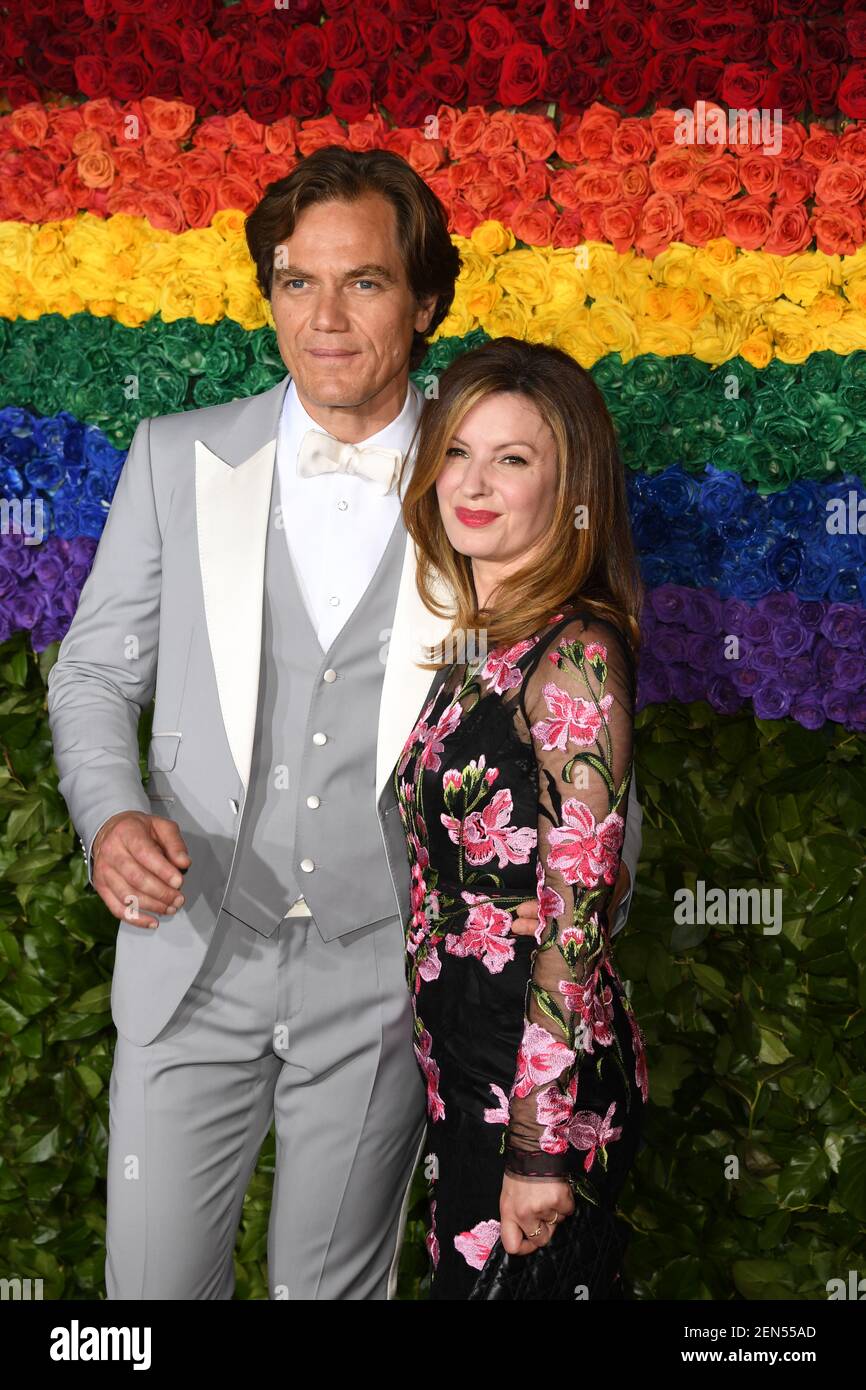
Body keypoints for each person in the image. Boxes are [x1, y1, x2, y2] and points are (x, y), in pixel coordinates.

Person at [46, 146, 643, 1301]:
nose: (323, 317)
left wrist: (569, 971)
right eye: (293, 281)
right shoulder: (176, 457)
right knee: (151, 1297)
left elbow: (566, 718)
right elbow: (91, 675)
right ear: (267, 292)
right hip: (190, 955)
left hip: (381, 980)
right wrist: (111, 812)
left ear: (422, 301)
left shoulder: (478, 469)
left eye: (362, 281)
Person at [393, 336, 649, 1299]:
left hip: (530, 1082)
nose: (475, 482)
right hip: (461, 1054)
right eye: (458, 450)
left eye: (513, 459)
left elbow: (575, 923)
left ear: (569, 484)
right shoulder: (480, 639)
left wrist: (540, 1148)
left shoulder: (573, 650)